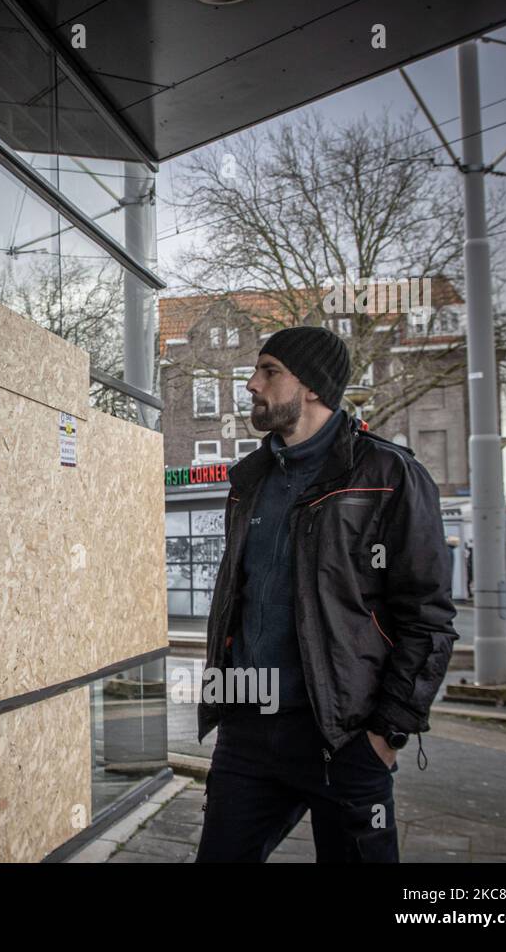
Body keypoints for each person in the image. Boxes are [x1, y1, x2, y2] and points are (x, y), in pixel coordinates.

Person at [196, 325, 457, 863]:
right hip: (247, 730)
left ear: (312, 386)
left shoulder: (390, 476)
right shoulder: (250, 480)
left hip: (343, 738)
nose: (251, 384)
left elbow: (427, 618)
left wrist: (385, 735)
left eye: (269, 371)